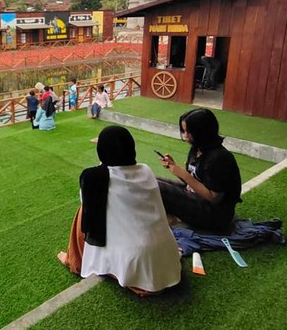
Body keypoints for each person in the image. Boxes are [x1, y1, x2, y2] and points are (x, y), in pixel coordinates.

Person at [57, 126, 181, 295]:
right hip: (167, 258)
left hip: (138, 264)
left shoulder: (94, 177)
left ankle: (75, 260)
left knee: (83, 212)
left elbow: (88, 206)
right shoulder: (145, 170)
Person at [157, 108, 242, 232]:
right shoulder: (197, 149)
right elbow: (194, 181)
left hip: (214, 216)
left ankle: (168, 221)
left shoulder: (219, 158)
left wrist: (182, 173)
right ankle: (167, 219)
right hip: (196, 197)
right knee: (151, 181)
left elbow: (214, 197)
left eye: (188, 131)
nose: (184, 135)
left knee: (158, 187)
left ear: (202, 132)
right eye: (183, 131)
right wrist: (173, 166)